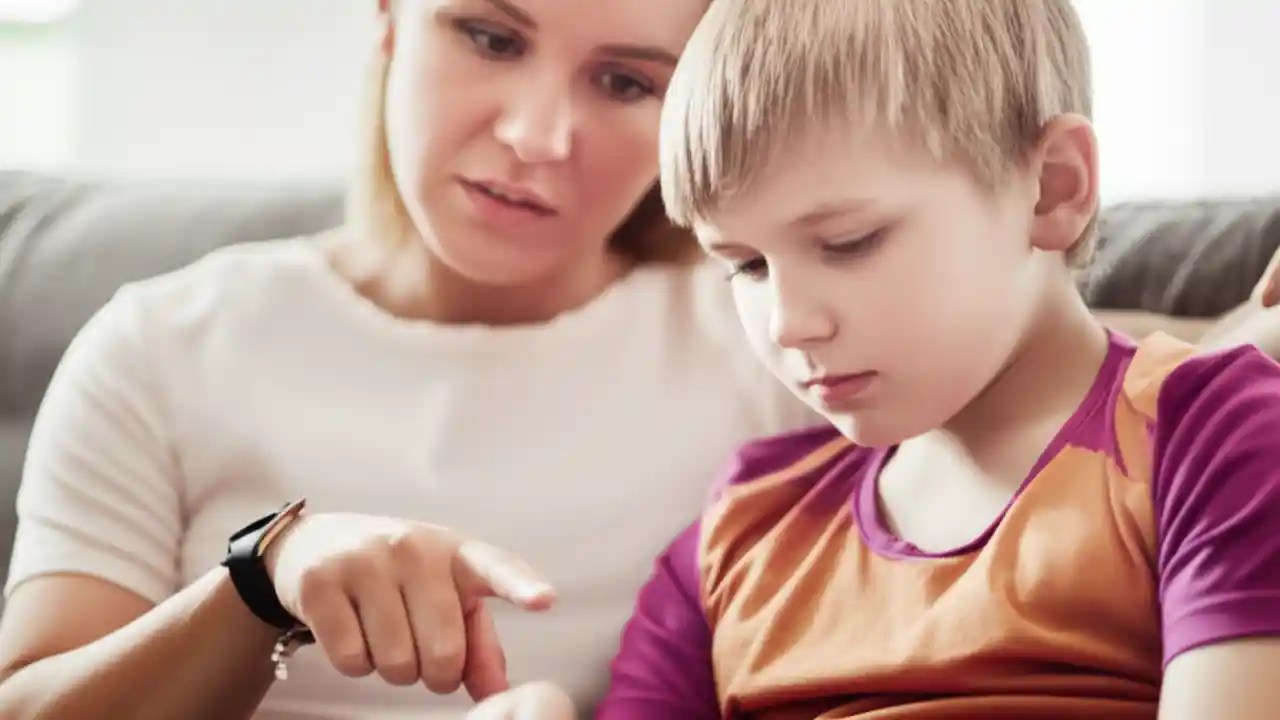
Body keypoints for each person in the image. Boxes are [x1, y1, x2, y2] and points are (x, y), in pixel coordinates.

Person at [0, 0, 1277, 719]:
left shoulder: (780, 369)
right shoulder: (159, 341)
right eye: (489, 35)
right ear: (387, 15)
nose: (537, 133)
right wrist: (264, 574)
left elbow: (1046, 376)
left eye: (624, 80)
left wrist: (1235, 362)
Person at [473, 0, 1280, 718]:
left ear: (1052, 189)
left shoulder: (1207, 435)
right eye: (747, 265)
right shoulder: (740, 532)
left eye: (847, 243)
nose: (788, 323)